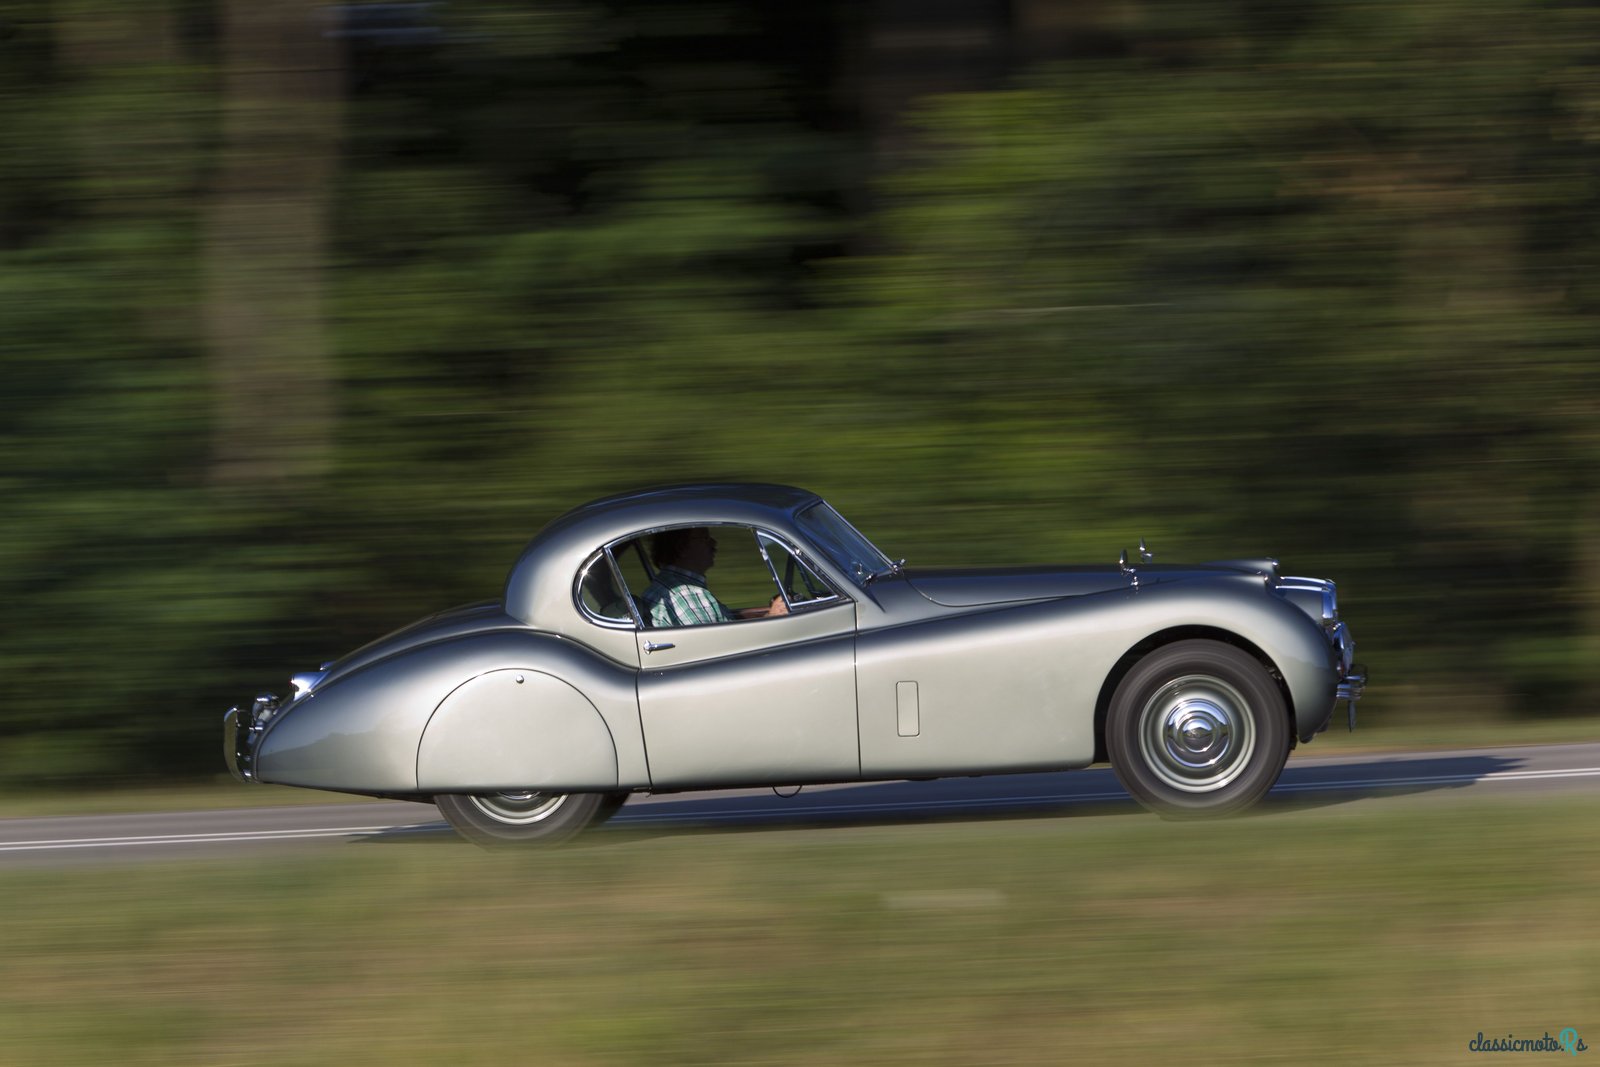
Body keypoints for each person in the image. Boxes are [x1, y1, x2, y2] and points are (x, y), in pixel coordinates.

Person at [640, 527, 788, 628]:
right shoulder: (687, 594)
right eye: (704, 538)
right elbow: (718, 649)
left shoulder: (666, 584)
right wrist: (773, 617)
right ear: (681, 547)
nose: (713, 542)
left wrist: (766, 614)